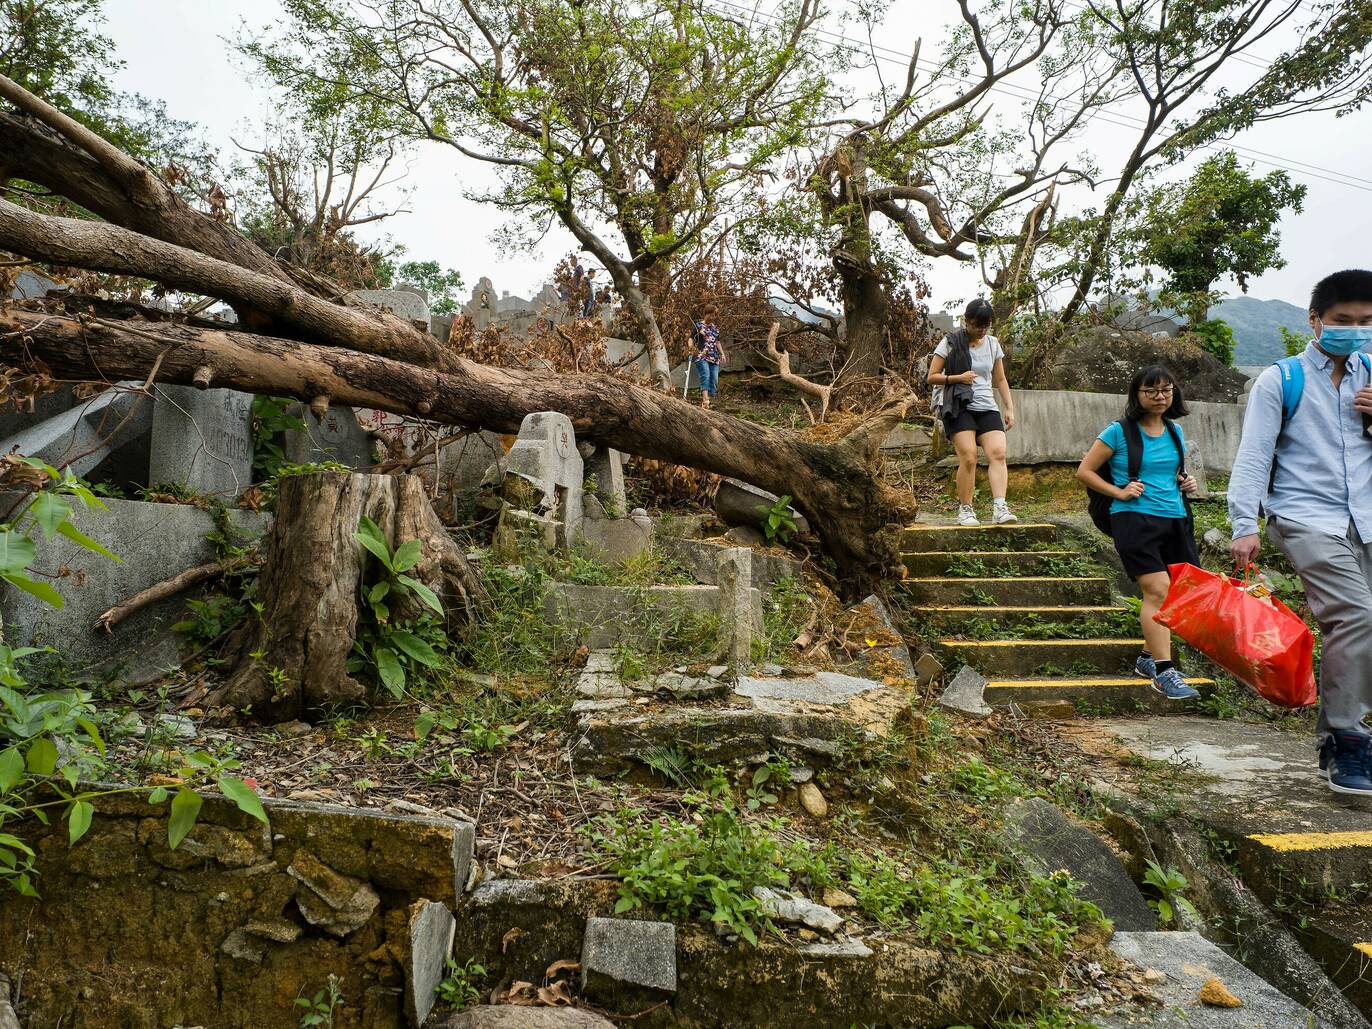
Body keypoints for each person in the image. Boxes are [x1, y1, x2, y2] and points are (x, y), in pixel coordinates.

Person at [1228, 268, 1372, 796]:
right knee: (1356, 614)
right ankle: (1348, 738)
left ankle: (1340, 735)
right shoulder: (1281, 379)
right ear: (1315, 320)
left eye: (1366, 321)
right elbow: (1253, 457)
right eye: (1343, 320)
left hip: (1367, 519)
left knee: (1357, 625)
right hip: (1305, 516)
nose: (1355, 330)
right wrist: (1244, 525)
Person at [1076, 365, 1203, 701]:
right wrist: (1118, 492)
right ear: (1137, 395)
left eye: (1166, 390)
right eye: (1151, 391)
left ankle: (1147, 659)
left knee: (1174, 595)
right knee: (1157, 590)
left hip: (1175, 517)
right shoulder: (1118, 432)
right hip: (1133, 519)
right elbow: (1084, 471)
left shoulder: (1175, 431)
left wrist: (1185, 482)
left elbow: (1171, 473)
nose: (1160, 396)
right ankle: (1165, 672)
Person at [926, 298, 1018, 525]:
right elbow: (931, 377)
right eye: (977, 325)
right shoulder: (950, 342)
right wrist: (958, 378)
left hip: (986, 406)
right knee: (968, 457)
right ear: (966, 321)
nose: (981, 330)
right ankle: (965, 509)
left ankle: (1000, 508)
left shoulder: (993, 344)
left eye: (986, 326)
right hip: (959, 405)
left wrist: (1009, 407)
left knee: (998, 453)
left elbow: (1000, 378)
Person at [690, 303, 726, 409]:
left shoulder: (715, 329)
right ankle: (705, 400)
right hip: (702, 356)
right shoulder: (698, 326)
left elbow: (717, 342)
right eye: (710, 314)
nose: (712, 317)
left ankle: (710, 399)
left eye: (714, 315)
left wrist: (722, 354)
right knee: (705, 375)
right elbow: (691, 338)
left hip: (714, 357)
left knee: (714, 379)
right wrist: (691, 348)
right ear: (705, 313)